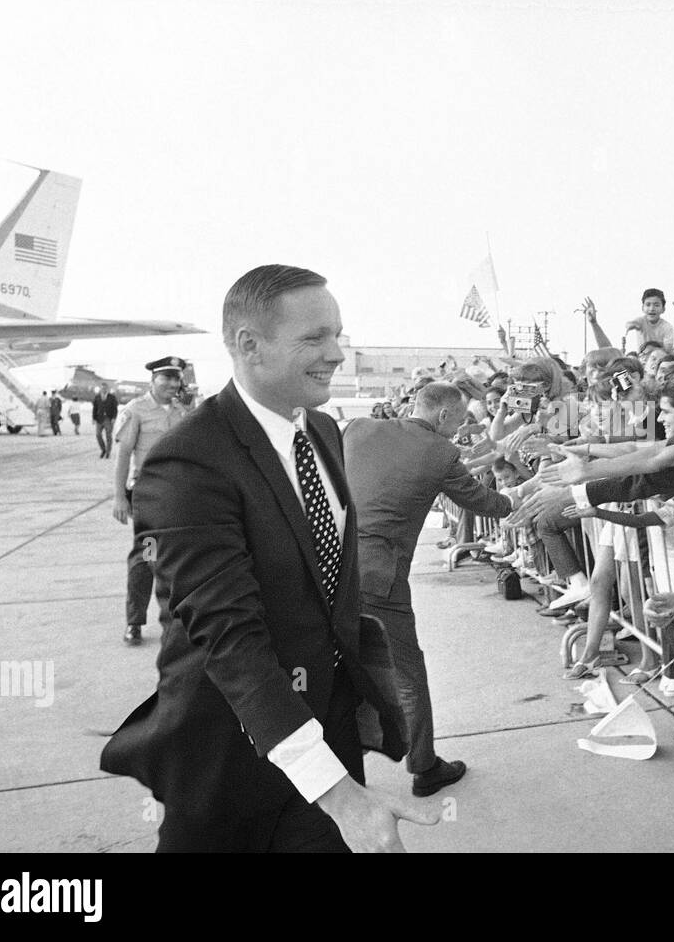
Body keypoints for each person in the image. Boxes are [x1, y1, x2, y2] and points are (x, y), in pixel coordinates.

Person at [100, 264, 436, 852]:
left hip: (324, 731)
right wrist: (338, 794)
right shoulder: (190, 461)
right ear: (248, 345)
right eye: (314, 338)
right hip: (229, 746)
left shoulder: (325, 432)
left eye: (338, 335)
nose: (336, 353)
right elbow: (227, 636)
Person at [344, 381, 513, 797]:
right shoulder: (440, 452)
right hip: (379, 576)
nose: (459, 428)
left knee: (339, 663)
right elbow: (482, 501)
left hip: (333, 567)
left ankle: (339, 761)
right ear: (442, 416)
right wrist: (518, 498)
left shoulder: (359, 428)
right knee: (408, 675)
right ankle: (424, 767)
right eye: (458, 420)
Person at [112, 356, 190, 645]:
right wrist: (119, 497)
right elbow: (123, 455)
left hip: (179, 497)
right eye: (166, 378)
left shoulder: (183, 411)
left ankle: (172, 622)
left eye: (176, 378)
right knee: (146, 557)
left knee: (177, 559)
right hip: (148, 496)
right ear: (153, 380)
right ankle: (134, 622)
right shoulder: (136, 410)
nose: (172, 383)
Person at [93, 383, 118, 458]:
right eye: (102, 388)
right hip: (99, 419)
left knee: (108, 436)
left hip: (108, 419)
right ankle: (103, 449)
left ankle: (108, 452)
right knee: (98, 435)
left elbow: (115, 409)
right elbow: (95, 408)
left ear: (108, 389)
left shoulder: (112, 397)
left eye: (105, 388)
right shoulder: (97, 397)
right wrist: (94, 418)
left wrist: (114, 418)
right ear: (101, 389)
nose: (104, 389)